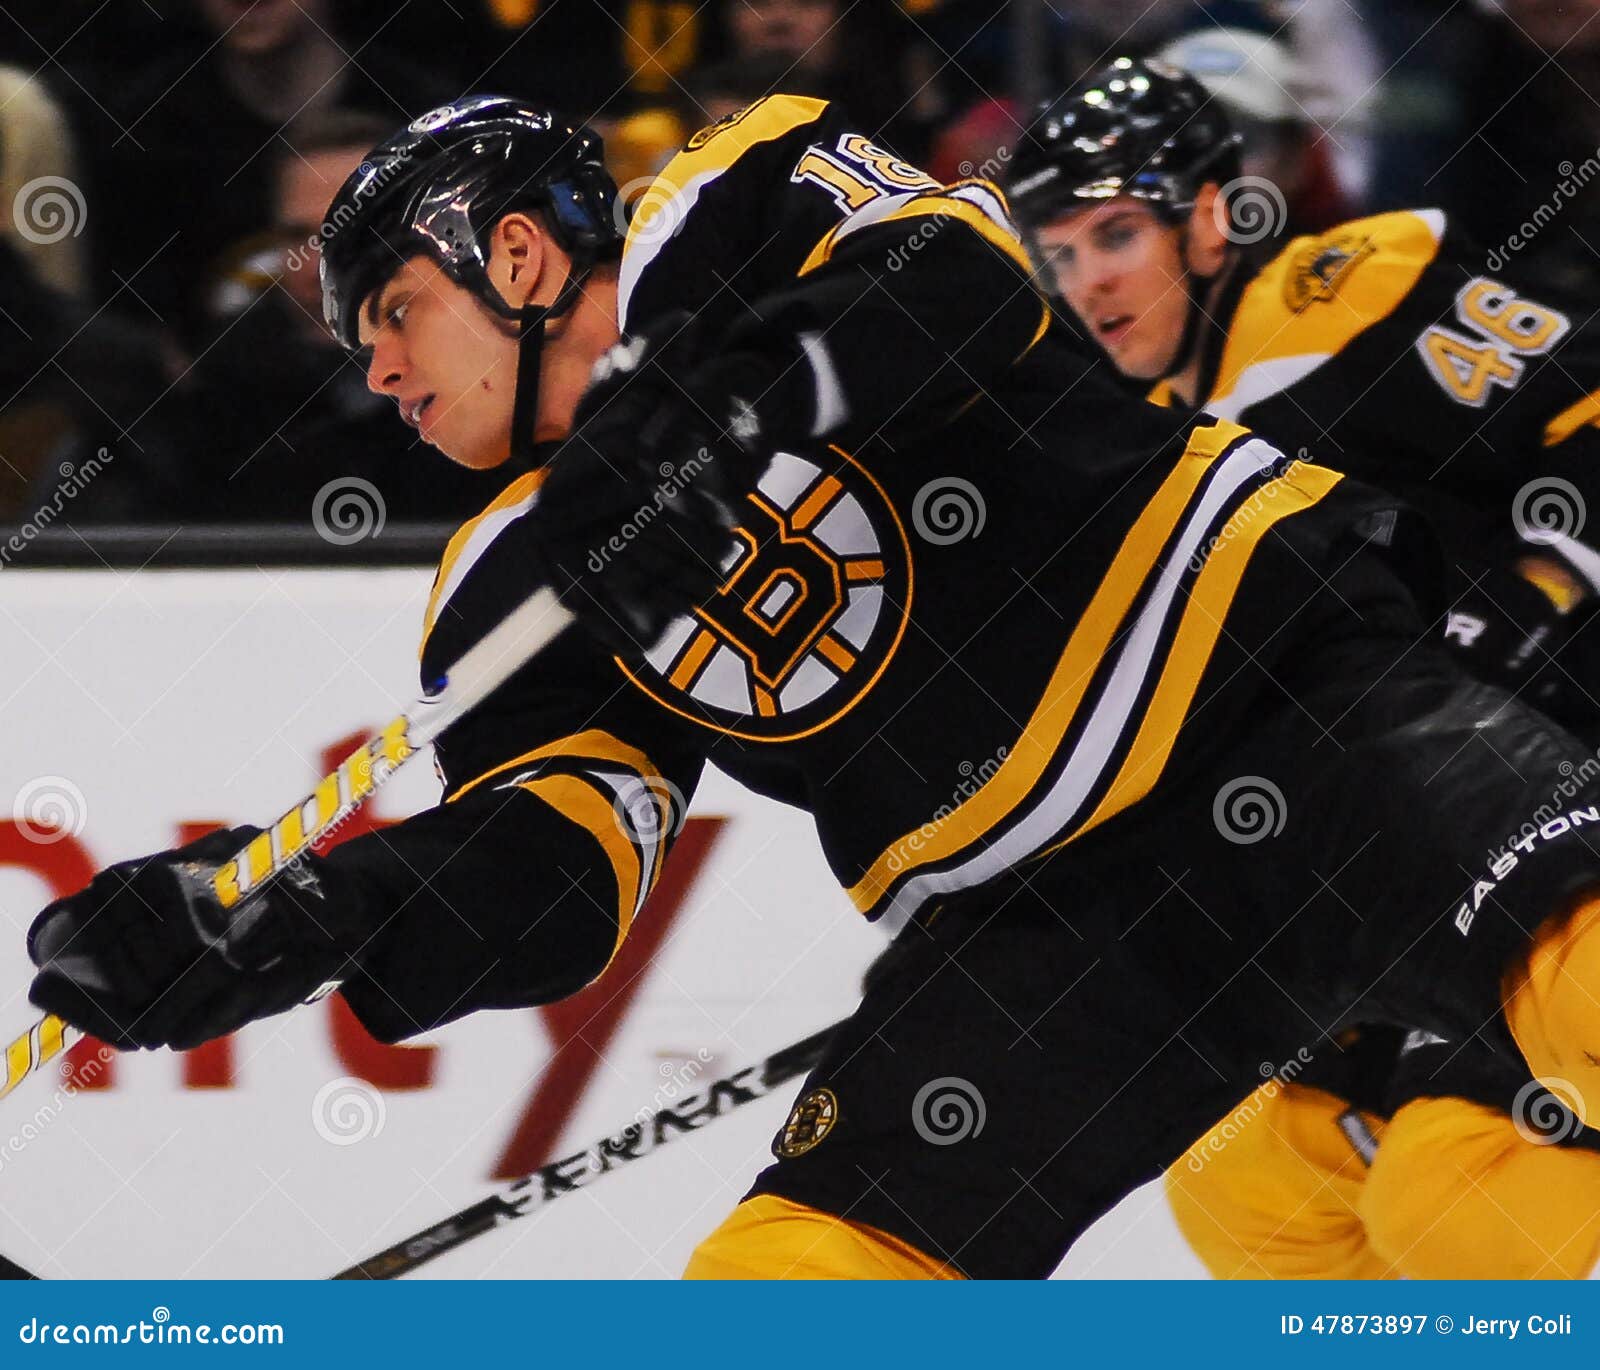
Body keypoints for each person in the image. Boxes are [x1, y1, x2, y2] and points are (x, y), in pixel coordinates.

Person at [25, 93, 1600, 1282]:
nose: (374, 373)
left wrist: (716, 398)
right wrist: (291, 920)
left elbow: (961, 279)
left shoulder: (731, 198)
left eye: (389, 313)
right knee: (783, 1296)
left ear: (507, 251)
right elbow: (559, 873)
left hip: (1292, 702)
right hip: (1042, 927)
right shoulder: (514, 578)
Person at [1006, 57, 1600, 1280]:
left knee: (1457, 1202)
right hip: (1426, 874)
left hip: (1563, 809)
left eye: (1116, 231)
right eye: (1056, 252)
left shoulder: (1332, 305)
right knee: (1246, 1186)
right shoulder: (1131, 460)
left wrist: (1539, 603)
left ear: (1214, 215)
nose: (1089, 279)